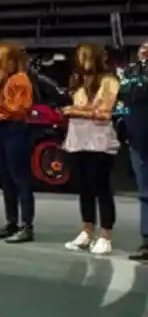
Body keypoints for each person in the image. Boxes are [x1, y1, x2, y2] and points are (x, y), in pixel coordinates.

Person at [61, 43, 121, 255]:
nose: (79, 59)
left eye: (82, 55)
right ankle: (86, 230)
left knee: (102, 189)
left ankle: (105, 235)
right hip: (78, 141)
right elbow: (89, 109)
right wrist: (81, 110)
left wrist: (75, 111)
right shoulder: (77, 80)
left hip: (100, 142)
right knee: (84, 188)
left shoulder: (109, 80)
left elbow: (104, 112)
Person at [0, 42, 35, 243]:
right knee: (5, 177)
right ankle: (11, 222)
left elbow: (22, 108)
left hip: (14, 128)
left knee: (19, 177)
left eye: (0, 56)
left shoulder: (20, 79)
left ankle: (27, 225)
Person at [121, 41, 148, 261]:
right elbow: (122, 101)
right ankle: (146, 242)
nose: (144, 50)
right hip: (137, 140)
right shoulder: (130, 72)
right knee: (145, 194)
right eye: (142, 47)